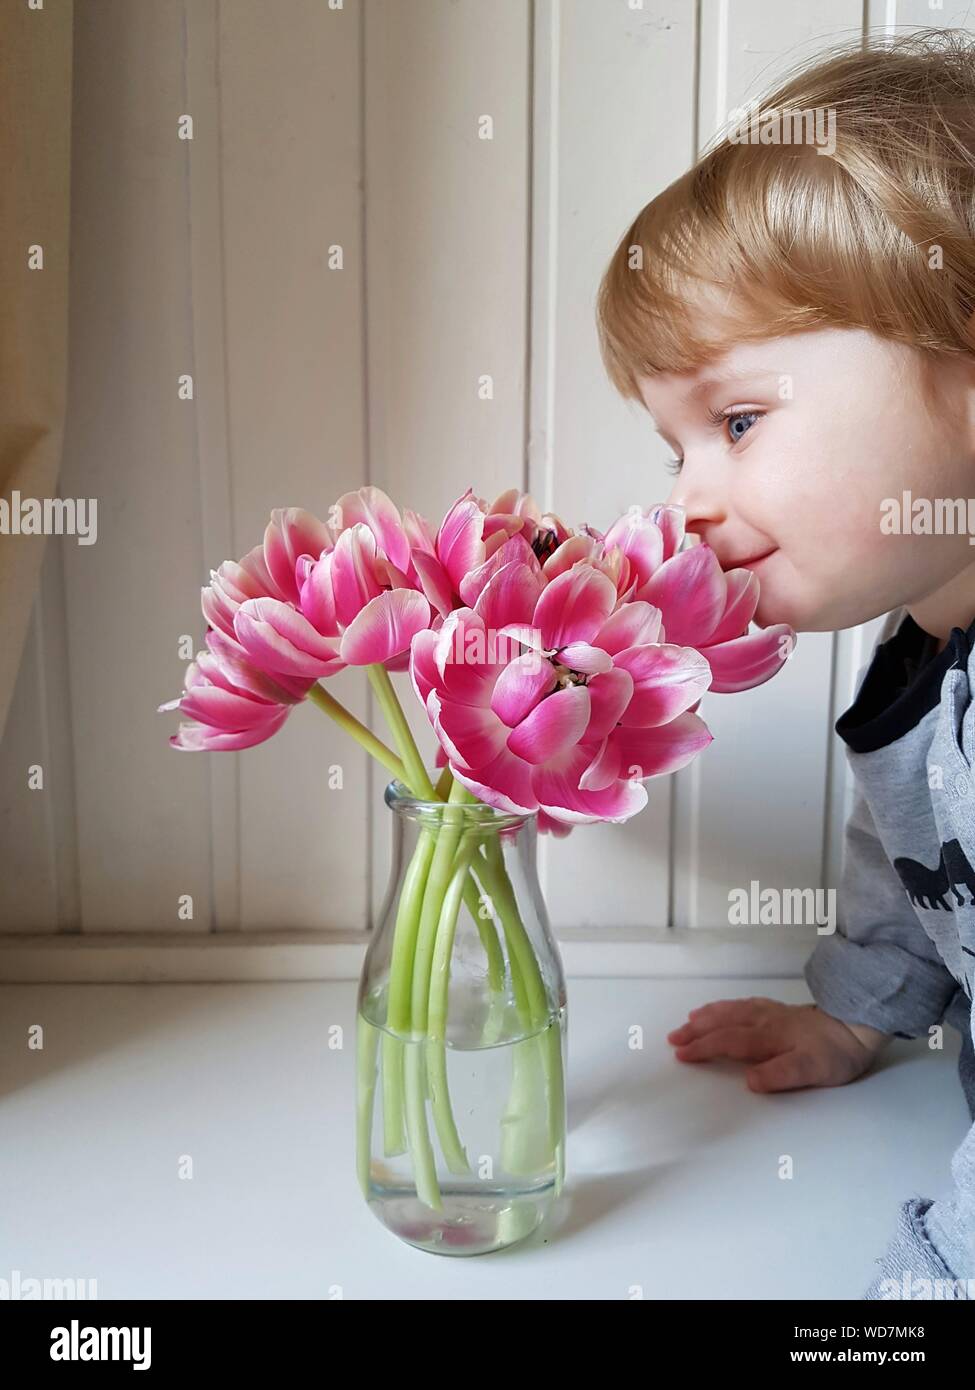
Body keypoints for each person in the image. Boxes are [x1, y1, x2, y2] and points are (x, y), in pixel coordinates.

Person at [596, 28, 975, 1298]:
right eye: (677, 449)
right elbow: (920, 848)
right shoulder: (926, 625)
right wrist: (861, 1012)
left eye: (739, 421)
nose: (690, 501)